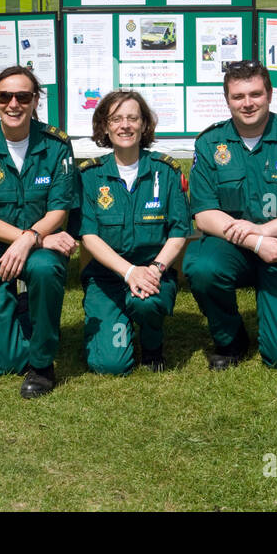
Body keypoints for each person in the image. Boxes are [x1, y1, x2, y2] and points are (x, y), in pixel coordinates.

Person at [183, 61, 277, 368]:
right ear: (227, 100)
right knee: (201, 266)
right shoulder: (210, 142)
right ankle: (230, 339)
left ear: (270, 94)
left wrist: (265, 233)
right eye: (238, 97)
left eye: (255, 94)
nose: (247, 103)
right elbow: (204, 213)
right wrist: (254, 241)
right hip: (231, 248)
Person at [0, 66, 80, 398]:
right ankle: (26, 308)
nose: (14, 104)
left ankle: (43, 366)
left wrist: (30, 241)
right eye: (4, 96)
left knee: (44, 267)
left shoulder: (56, 144)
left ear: (35, 100)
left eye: (23, 96)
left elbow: (59, 209)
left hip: (38, 251)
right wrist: (31, 236)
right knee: (7, 362)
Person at [77, 91, 188, 374]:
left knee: (147, 303)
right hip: (107, 278)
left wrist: (155, 269)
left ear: (144, 126)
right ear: (104, 126)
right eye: (116, 119)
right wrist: (129, 273)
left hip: (154, 273)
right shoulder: (89, 176)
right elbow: (88, 236)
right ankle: (118, 318)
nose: (125, 125)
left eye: (132, 118)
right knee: (111, 366)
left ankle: (152, 343)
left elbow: (179, 230)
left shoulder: (167, 171)